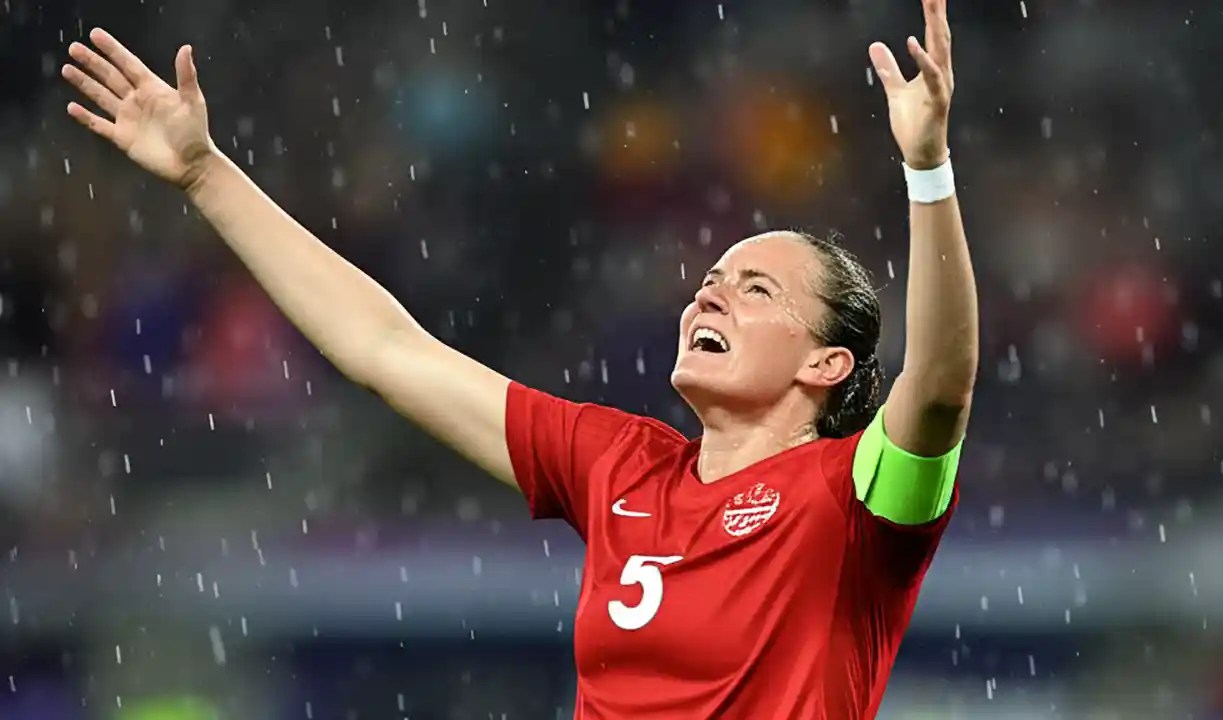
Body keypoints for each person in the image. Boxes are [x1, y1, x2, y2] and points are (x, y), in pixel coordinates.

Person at [60, 0, 977, 716]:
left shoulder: (855, 501)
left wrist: (927, 167)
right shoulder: (620, 465)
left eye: (756, 290)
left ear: (826, 366)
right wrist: (204, 173)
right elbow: (386, 349)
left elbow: (938, 383)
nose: (708, 294)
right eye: (710, 278)